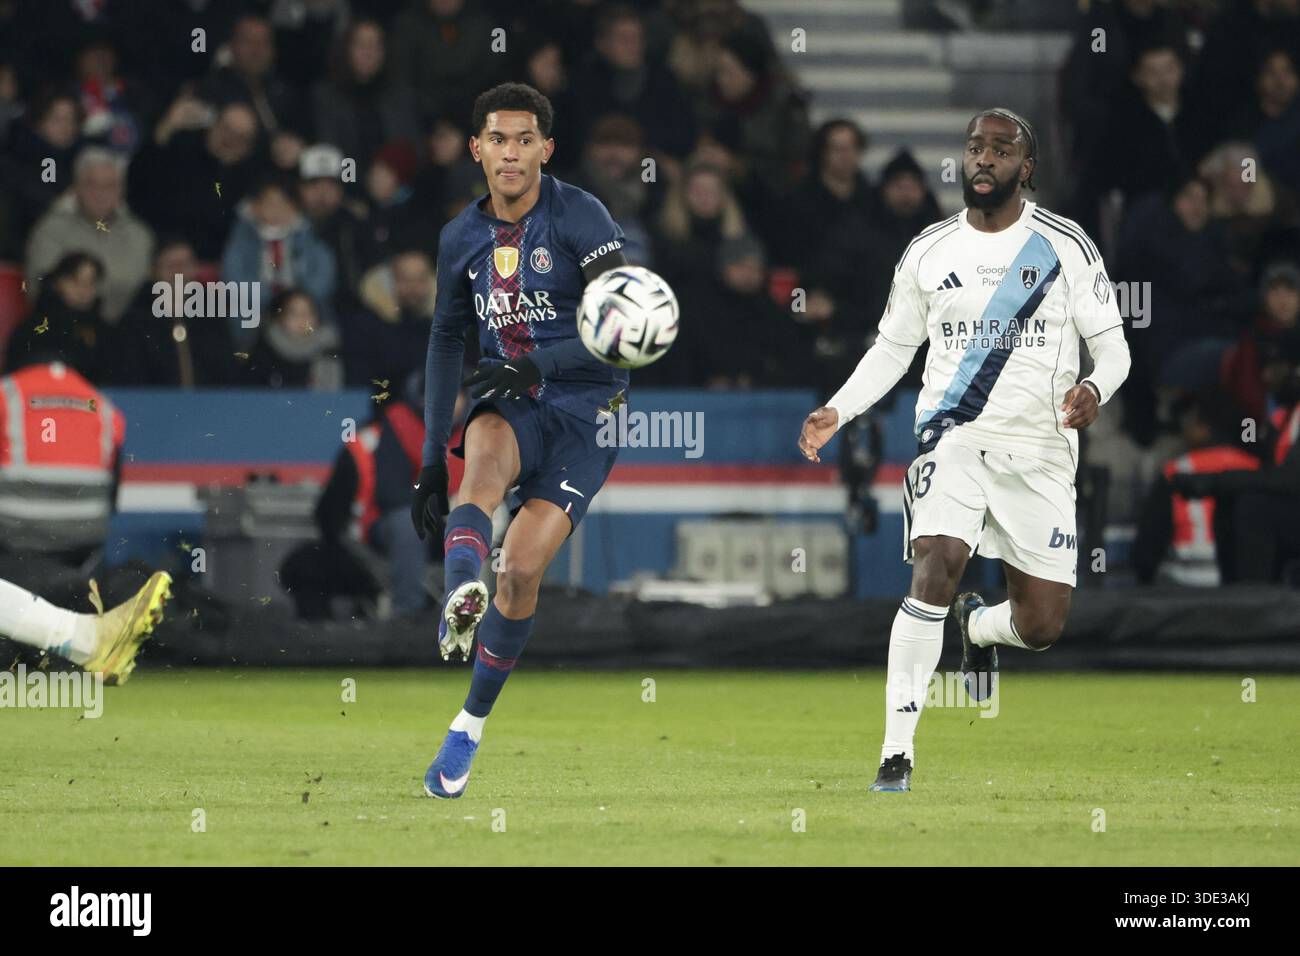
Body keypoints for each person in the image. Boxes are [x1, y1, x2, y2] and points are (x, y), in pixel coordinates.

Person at [797, 110, 1132, 793]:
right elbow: (894, 347)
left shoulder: (1065, 246)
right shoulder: (928, 250)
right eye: (975, 147)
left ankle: (979, 629)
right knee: (936, 564)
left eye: (1000, 150)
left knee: (1041, 626)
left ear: (1025, 167)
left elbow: (1116, 345)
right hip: (952, 437)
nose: (984, 159)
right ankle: (897, 753)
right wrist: (841, 407)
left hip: (1040, 447)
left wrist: (1095, 388)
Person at [411, 82, 630, 799]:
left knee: (523, 571)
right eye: (497, 140)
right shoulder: (459, 237)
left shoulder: (581, 217)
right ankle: (458, 593)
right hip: (510, 400)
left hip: (587, 414)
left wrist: (539, 362)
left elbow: (618, 342)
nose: (511, 153)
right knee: (477, 475)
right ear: (477, 149)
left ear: (546, 149)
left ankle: (467, 728)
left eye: (524, 139)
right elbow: (446, 339)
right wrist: (424, 463)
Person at [0, 359, 172, 683]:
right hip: (80, 548)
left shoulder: (7, 395)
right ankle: (86, 639)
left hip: (15, 549)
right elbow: (113, 493)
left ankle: (87, 639)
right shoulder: (103, 406)